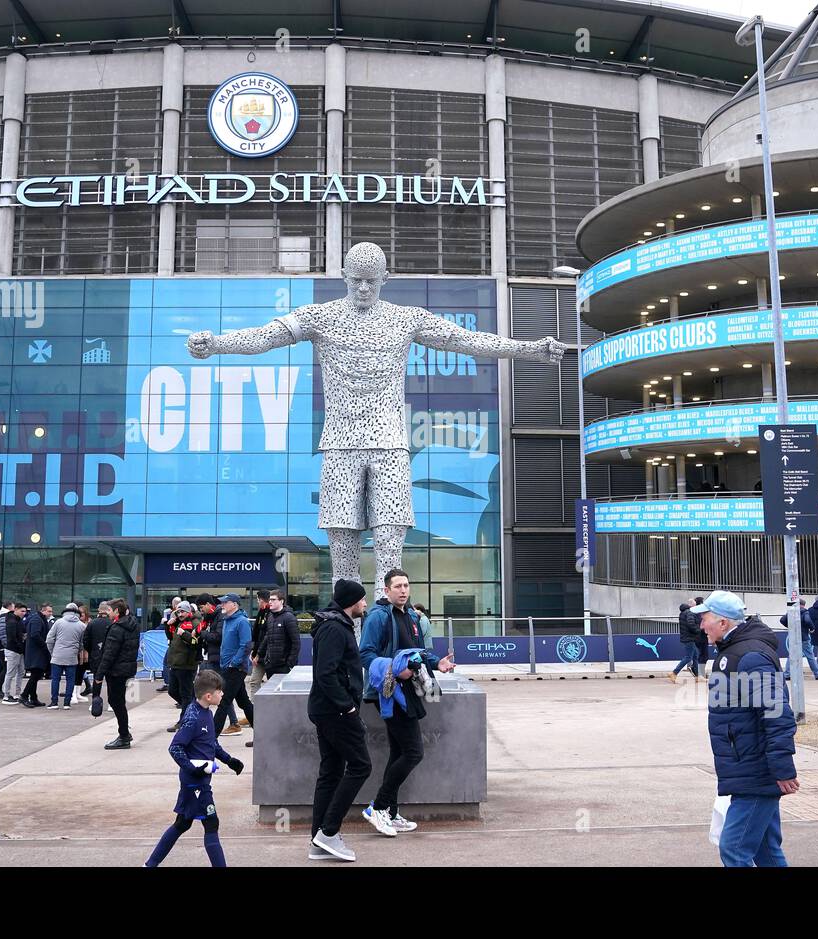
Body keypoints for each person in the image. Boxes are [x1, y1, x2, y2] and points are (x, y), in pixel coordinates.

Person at [187, 241, 565, 598]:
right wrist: (219, 344)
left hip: (389, 442)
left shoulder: (405, 320)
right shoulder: (321, 317)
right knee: (343, 545)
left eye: (371, 280)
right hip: (339, 442)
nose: (364, 288)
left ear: (386, 278)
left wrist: (528, 349)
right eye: (356, 280)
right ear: (344, 277)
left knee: (389, 542)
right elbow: (266, 336)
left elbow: (464, 340)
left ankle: (387, 615)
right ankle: (344, 621)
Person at [691, 590, 798, 867]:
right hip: (747, 767)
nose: (701, 625)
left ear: (723, 623)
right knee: (765, 852)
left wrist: (782, 766)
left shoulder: (750, 655)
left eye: (705, 619)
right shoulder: (732, 652)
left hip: (756, 770)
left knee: (734, 848)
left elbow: (776, 713)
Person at [358, 568, 454, 837]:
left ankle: (388, 811)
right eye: (397, 586)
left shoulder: (411, 616)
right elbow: (365, 654)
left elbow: (419, 653)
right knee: (413, 752)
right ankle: (377, 807)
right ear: (386, 590)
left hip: (408, 689)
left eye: (406, 585)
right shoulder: (378, 617)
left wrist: (438, 663)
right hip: (387, 691)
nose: (403, 590)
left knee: (400, 752)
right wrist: (393, 669)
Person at [144, 668, 244, 867]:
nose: (222, 694)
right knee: (211, 823)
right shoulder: (193, 718)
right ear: (209, 696)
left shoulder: (206, 713)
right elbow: (175, 748)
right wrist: (192, 768)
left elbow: (210, 743)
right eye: (219, 691)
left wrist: (228, 759)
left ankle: (149, 865)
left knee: (182, 823)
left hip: (198, 780)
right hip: (195, 782)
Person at [308, 578, 372, 862]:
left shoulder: (334, 624)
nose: (365, 604)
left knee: (332, 772)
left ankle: (318, 843)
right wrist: (347, 708)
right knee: (361, 766)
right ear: (352, 602)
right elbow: (326, 673)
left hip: (328, 709)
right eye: (362, 599)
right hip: (336, 711)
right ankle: (328, 831)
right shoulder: (335, 627)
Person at [95, 599, 141, 750]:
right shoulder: (131, 624)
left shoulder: (117, 628)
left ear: (117, 611)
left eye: (109, 610)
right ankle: (124, 733)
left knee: (116, 702)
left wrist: (99, 674)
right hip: (125, 669)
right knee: (118, 702)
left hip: (116, 671)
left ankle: (124, 736)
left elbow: (109, 654)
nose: (106, 613)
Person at [212, 594, 254, 738]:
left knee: (223, 701)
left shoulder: (242, 622)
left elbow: (246, 645)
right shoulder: (226, 621)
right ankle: (263, 734)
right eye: (221, 603)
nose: (222, 605)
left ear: (234, 605)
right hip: (228, 667)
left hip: (236, 668)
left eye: (225, 602)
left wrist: (233, 663)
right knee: (244, 702)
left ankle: (210, 737)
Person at [165, 601, 203, 727]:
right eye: (178, 612)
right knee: (172, 691)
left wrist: (184, 634)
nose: (180, 614)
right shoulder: (178, 623)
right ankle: (194, 709)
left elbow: (196, 643)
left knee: (185, 694)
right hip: (176, 663)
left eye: (182, 612)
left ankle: (184, 720)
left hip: (187, 664)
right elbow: (170, 638)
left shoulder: (195, 623)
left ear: (189, 612)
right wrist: (168, 625)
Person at [46, 602, 87, 709]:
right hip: (72, 657)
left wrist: (53, 652)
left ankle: (54, 702)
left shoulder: (59, 622)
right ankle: (67, 703)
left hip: (57, 655)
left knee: (55, 679)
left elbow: (49, 639)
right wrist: (77, 650)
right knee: (70, 680)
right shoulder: (82, 625)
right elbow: (83, 643)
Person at [780, 598, 818, 681]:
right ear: (803, 605)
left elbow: (782, 620)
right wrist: (812, 628)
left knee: (791, 655)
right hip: (803, 637)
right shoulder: (804, 612)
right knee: (810, 655)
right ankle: (817, 674)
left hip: (793, 637)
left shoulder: (791, 611)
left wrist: (790, 627)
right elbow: (807, 620)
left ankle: (787, 674)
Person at [19, 601, 52, 708]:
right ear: (42, 610)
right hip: (36, 652)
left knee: (36, 675)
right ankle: (24, 695)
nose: (50, 613)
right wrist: (45, 645)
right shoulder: (37, 619)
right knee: (35, 675)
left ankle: (33, 697)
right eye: (49, 611)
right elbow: (35, 635)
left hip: (36, 652)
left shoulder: (39, 619)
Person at [84, 601, 113, 707]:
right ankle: (111, 703)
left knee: (97, 680)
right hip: (110, 656)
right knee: (111, 681)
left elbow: (86, 640)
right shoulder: (112, 623)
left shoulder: (92, 623)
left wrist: (91, 650)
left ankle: (95, 703)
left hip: (96, 655)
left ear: (99, 610)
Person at [247, 590, 272, 700]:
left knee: (273, 684)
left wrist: (258, 653)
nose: (257, 602)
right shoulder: (261, 613)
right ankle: (254, 710)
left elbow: (267, 636)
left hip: (270, 656)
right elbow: (257, 635)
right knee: (254, 682)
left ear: (261, 600)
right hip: (259, 656)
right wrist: (254, 651)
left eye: (257, 600)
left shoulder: (272, 614)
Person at [0, 601, 27, 703]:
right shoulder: (12, 621)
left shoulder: (17, 620)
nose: (24, 613)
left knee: (20, 672)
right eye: (22, 611)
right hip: (13, 650)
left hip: (17, 650)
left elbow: (22, 632)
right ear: (15, 609)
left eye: (25, 611)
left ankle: (16, 694)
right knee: (11, 673)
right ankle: (6, 695)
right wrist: (20, 644)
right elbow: (12, 637)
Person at [674, 601, 702, 682]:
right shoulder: (689, 612)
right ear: (691, 606)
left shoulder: (683, 613)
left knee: (695, 656)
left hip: (687, 637)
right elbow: (691, 624)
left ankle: (697, 676)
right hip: (690, 638)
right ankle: (674, 673)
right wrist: (698, 630)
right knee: (688, 657)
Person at [0, 600, 12, 699]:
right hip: (2, 648)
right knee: (5, 668)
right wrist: (6, 645)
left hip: (1, 647)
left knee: (2, 668)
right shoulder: (4, 617)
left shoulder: (3, 616)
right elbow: (2, 633)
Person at [691, 596, 711, 677]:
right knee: (704, 656)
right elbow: (700, 625)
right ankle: (700, 673)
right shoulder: (699, 613)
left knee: (702, 656)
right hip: (701, 637)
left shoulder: (696, 612)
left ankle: (699, 672)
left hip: (699, 637)